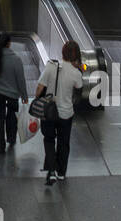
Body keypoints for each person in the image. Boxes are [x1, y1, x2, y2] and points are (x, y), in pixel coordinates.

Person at [36, 40, 85, 185]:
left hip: (49, 111)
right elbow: (79, 90)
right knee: (64, 143)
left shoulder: (51, 67)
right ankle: (61, 172)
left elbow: (39, 88)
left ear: (63, 52)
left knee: (49, 140)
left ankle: (51, 171)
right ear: (76, 55)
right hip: (66, 113)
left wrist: (38, 100)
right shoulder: (76, 73)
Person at [0, 33, 29, 154]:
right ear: (9, 43)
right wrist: (24, 96)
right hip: (12, 94)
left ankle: (0, 147)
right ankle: (11, 138)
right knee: (12, 117)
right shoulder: (16, 60)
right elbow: (21, 80)